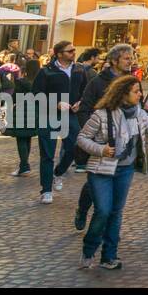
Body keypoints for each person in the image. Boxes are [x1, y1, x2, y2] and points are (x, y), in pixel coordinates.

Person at [75, 74, 148, 269]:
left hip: (125, 170)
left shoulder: (139, 113)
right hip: (101, 169)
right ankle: (89, 250)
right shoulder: (101, 114)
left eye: (139, 91)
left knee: (116, 212)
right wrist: (101, 149)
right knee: (103, 211)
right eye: (136, 91)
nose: (140, 95)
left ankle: (109, 256)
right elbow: (82, 138)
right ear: (123, 94)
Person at [73, 44, 138, 231]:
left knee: (113, 189)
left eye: (131, 57)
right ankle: (83, 209)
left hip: (124, 144)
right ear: (114, 60)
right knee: (95, 181)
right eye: (127, 58)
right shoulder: (98, 82)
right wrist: (94, 134)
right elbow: (85, 108)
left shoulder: (131, 81)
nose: (131, 61)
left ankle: (109, 230)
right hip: (102, 142)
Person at [32, 41, 88, 203]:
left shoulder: (79, 69)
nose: (73, 52)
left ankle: (58, 172)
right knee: (47, 154)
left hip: (69, 115)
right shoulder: (46, 71)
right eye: (70, 51)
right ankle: (46, 190)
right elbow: (36, 95)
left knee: (76, 147)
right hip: (47, 115)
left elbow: (85, 90)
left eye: (74, 50)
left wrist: (81, 102)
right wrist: (55, 104)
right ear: (59, 54)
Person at [8, 59, 41, 177]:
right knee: (27, 138)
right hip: (35, 112)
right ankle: (24, 165)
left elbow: (14, 97)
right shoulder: (40, 82)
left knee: (21, 139)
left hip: (22, 111)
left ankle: (24, 166)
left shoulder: (21, 82)